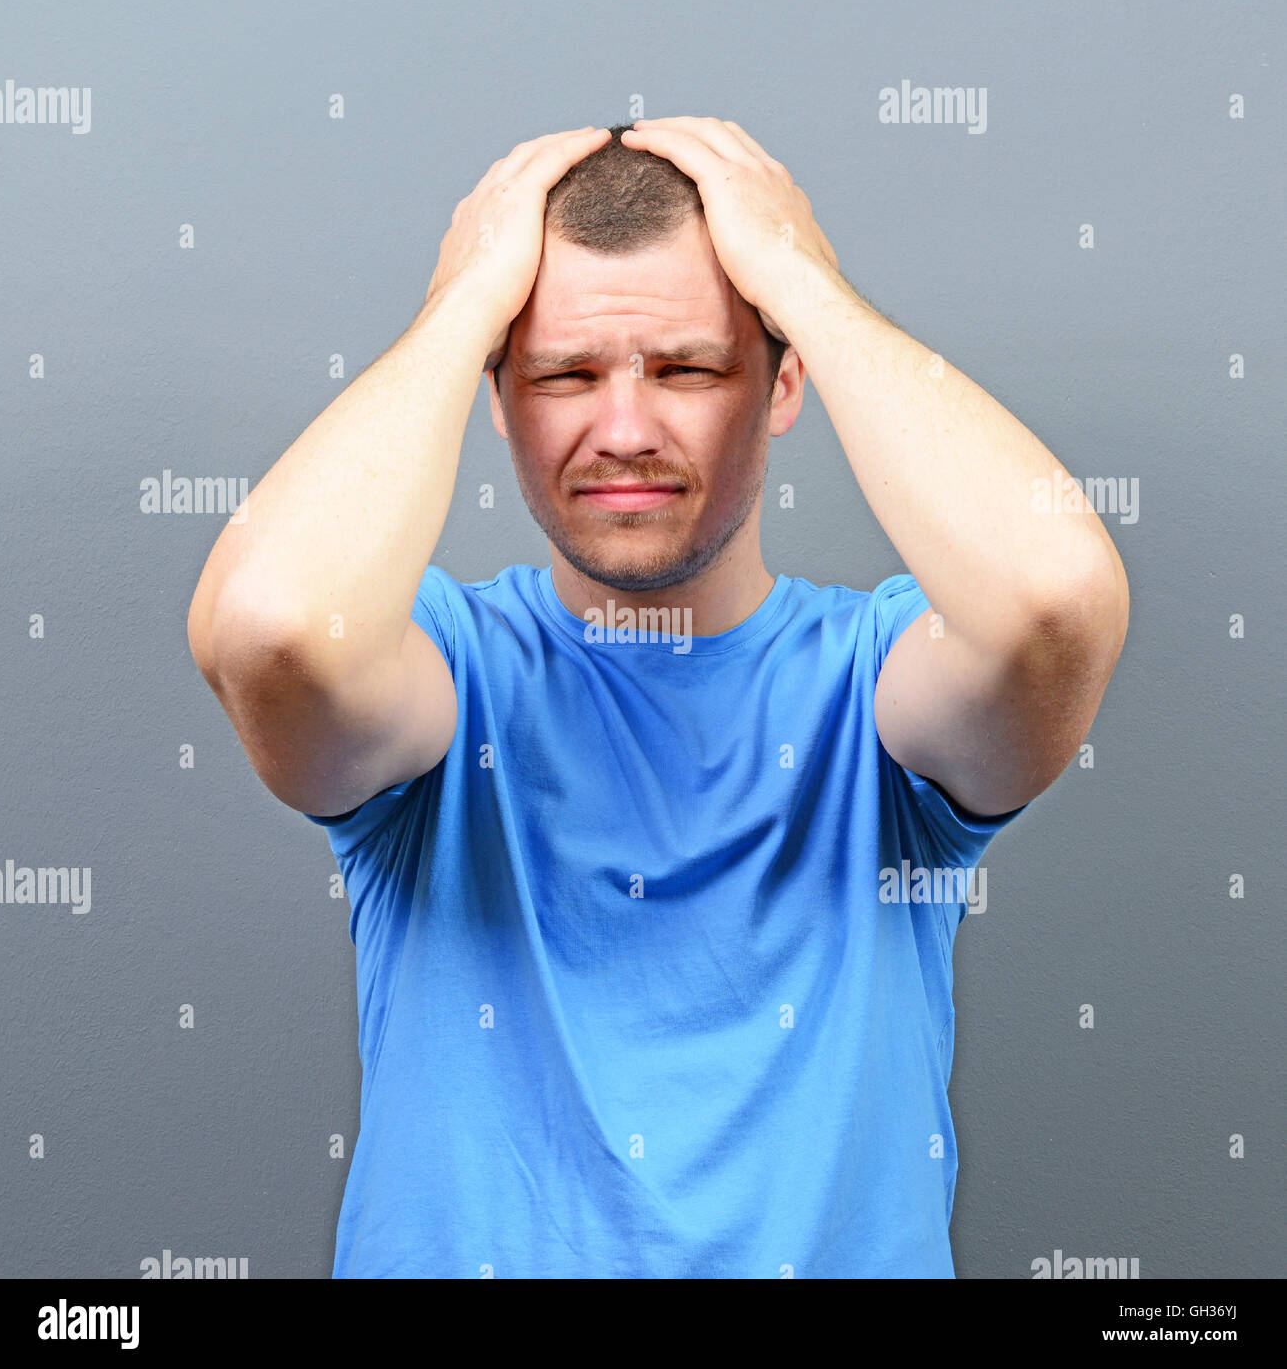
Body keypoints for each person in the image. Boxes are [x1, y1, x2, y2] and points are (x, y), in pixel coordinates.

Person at [187, 119, 1129, 1277]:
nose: (624, 432)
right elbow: (271, 631)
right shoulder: (445, 671)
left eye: (685, 368)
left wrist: (804, 286)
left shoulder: (876, 686)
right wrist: (461, 308)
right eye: (563, 374)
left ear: (785, 385)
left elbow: (1056, 605)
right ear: (496, 399)